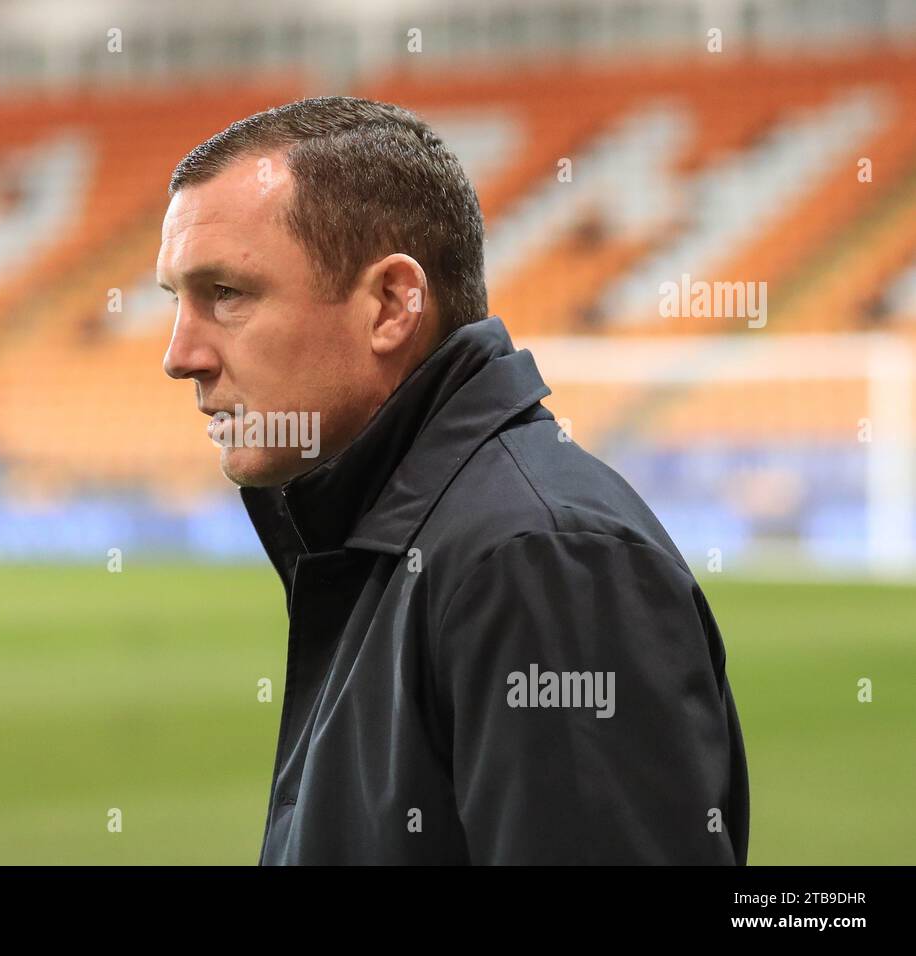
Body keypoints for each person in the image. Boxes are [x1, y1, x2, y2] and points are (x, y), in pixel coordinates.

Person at [156, 95, 749, 865]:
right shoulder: (405, 536)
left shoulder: (539, 560)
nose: (179, 354)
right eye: (175, 301)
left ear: (393, 304)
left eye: (226, 294)